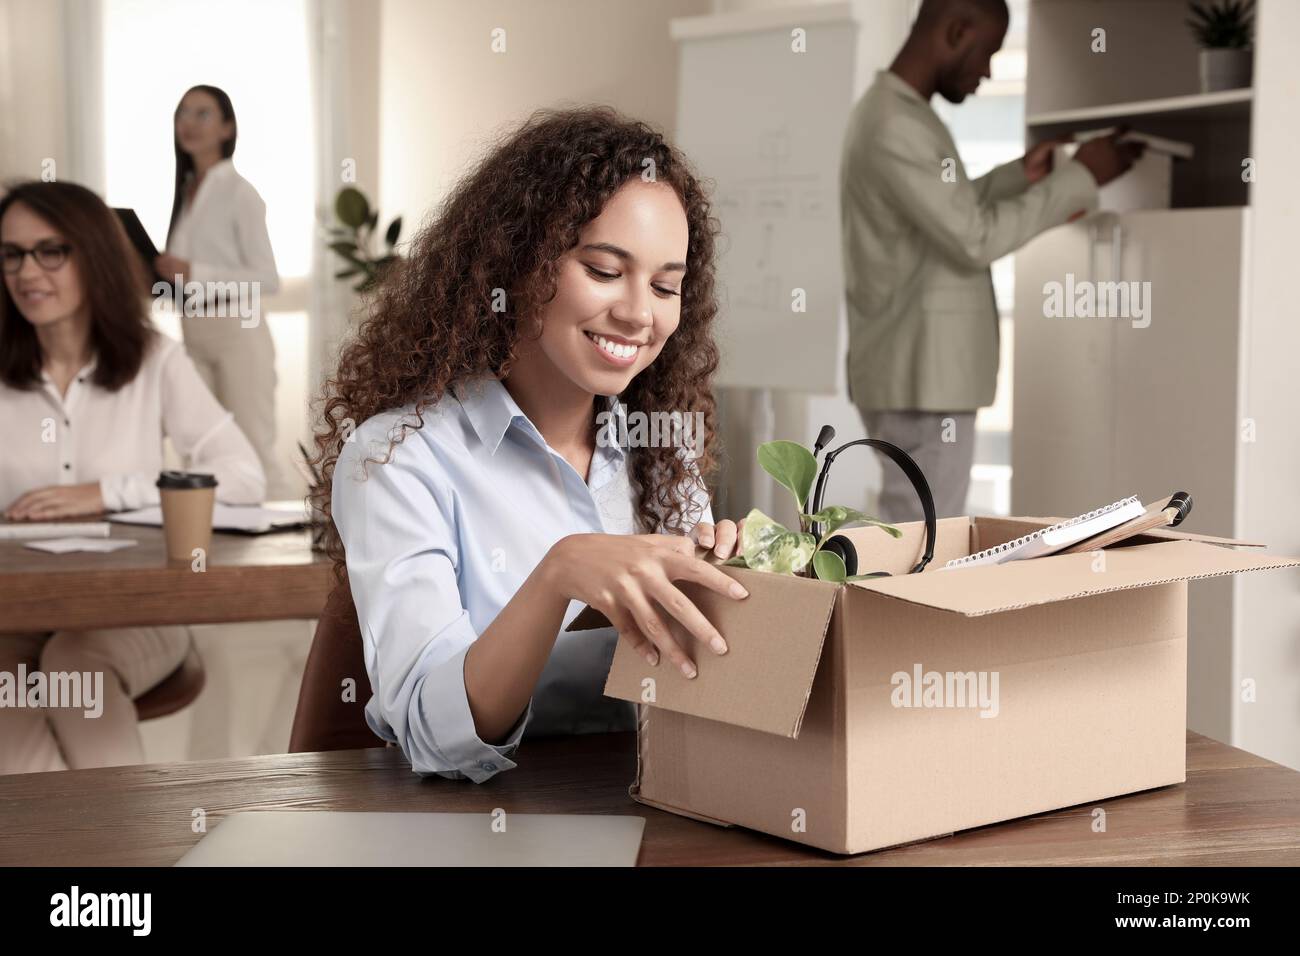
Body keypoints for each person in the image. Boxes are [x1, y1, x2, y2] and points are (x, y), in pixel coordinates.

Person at [315, 106, 750, 783]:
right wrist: (557, 576)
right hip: (465, 830)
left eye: (667, 285)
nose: (640, 313)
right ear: (518, 263)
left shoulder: (660, 452)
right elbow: (434, 736)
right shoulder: (398, 457)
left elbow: (681, 683)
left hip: (648, 799)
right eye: (605, 271)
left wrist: (737, 593)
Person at [0, 180, 265, 773]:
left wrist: (105, 494)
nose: (26, 272)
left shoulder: (155, 360)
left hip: (132, 613)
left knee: (74, 663)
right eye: (12, 254)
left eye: (51, 251)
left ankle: (115, 844)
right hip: (15, 614)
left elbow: (243, 478)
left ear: (93, 255)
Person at [839, 0, 1141, 520]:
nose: (987, 71)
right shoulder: (896, 124)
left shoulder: (897, 114)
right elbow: (973, 237)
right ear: (956, 32)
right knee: (922, 541)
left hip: (917, 371)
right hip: (921, 376)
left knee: (917, 532)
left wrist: (1019, 175)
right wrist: (1080, 177)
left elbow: (941, 207)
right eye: (988, 53)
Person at [158, 84, 281, 492]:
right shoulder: (187, 192)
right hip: (194, 332)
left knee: (253, 445)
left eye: (203, 113)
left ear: (227, 128)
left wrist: (195, 270)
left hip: (237, 333)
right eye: (183, 113)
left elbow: (268, 277)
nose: (189, 123)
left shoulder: (240, 193)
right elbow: (188, 278)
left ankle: (282, 543)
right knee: (202, 450)